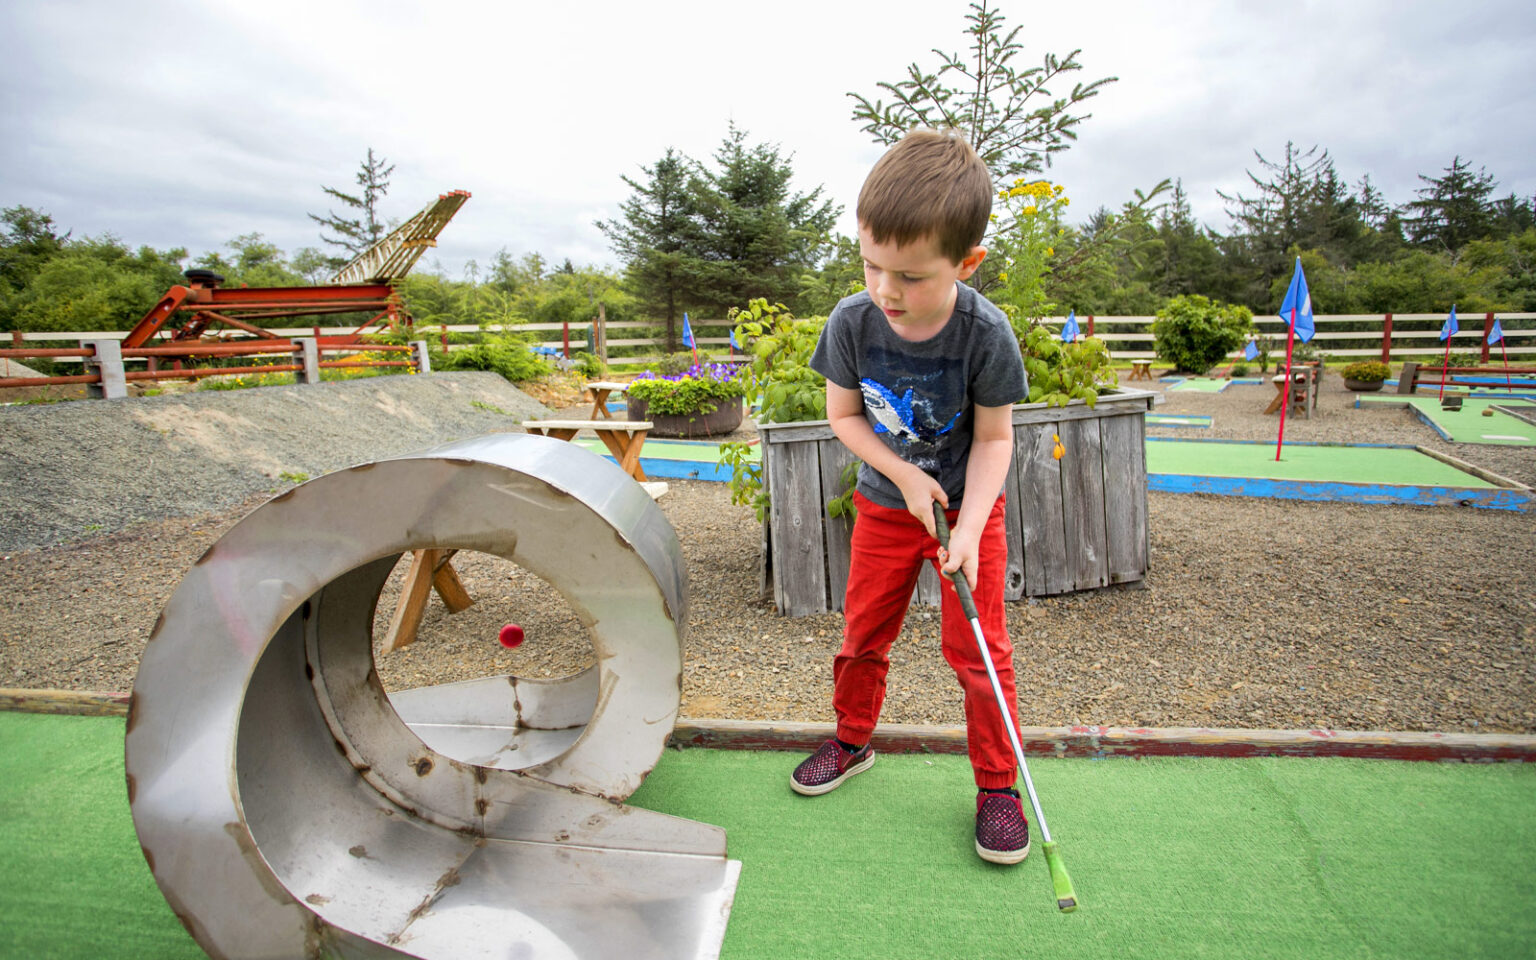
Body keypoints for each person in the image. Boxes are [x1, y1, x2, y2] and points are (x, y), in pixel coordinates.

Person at [789, 128, 1031, 865]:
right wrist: (903, 474)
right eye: (871, 265)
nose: (887, 290)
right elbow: (844, 417)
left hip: (965, 516)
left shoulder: (986, 335)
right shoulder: (853, 321)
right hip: (887, 510)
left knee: (979, 652)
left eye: (911, 276)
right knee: (864, 634)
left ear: (967, 261)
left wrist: (968, 526)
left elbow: (993, 441)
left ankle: (998, 787)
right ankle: (853, 741)